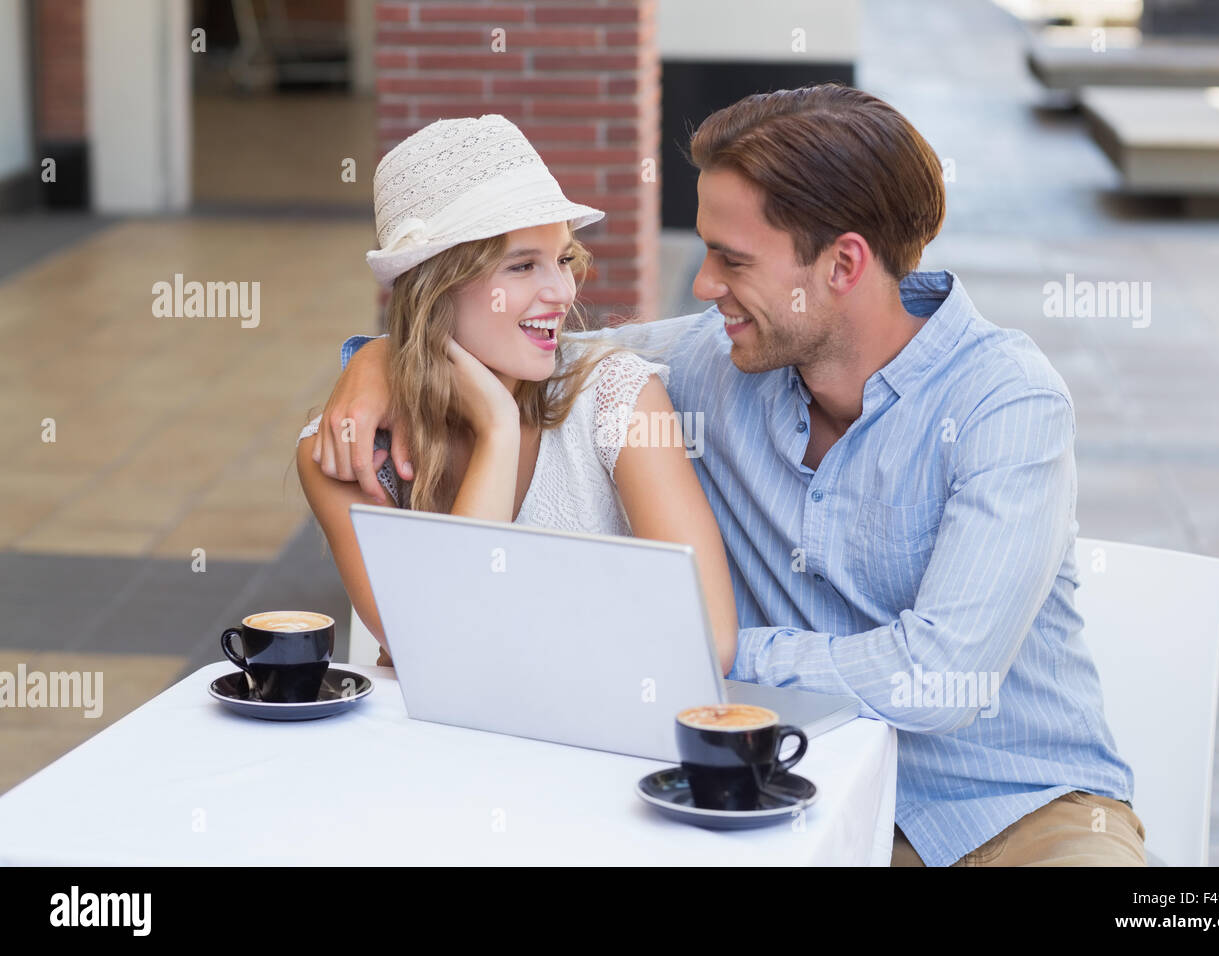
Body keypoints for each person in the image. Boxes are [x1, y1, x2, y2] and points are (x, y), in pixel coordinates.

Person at [310, 84, 1146, 867]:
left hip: (1019, 814)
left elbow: (936, 678)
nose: (704, 286)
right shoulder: (724, 357)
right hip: (791, 801)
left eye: (730, 259)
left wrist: (682, 645)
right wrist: (380, 354)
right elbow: (540, 356)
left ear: (843, 266)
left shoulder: (1007, 403)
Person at [295, 114, 738, 675]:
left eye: (563, 259)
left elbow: (709, 641)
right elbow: (440, 651)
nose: (562, 291)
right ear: (436, 288)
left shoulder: (619, 401)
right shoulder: (342, 451)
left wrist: (494, 636)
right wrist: (497, 432)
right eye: (523, 265)